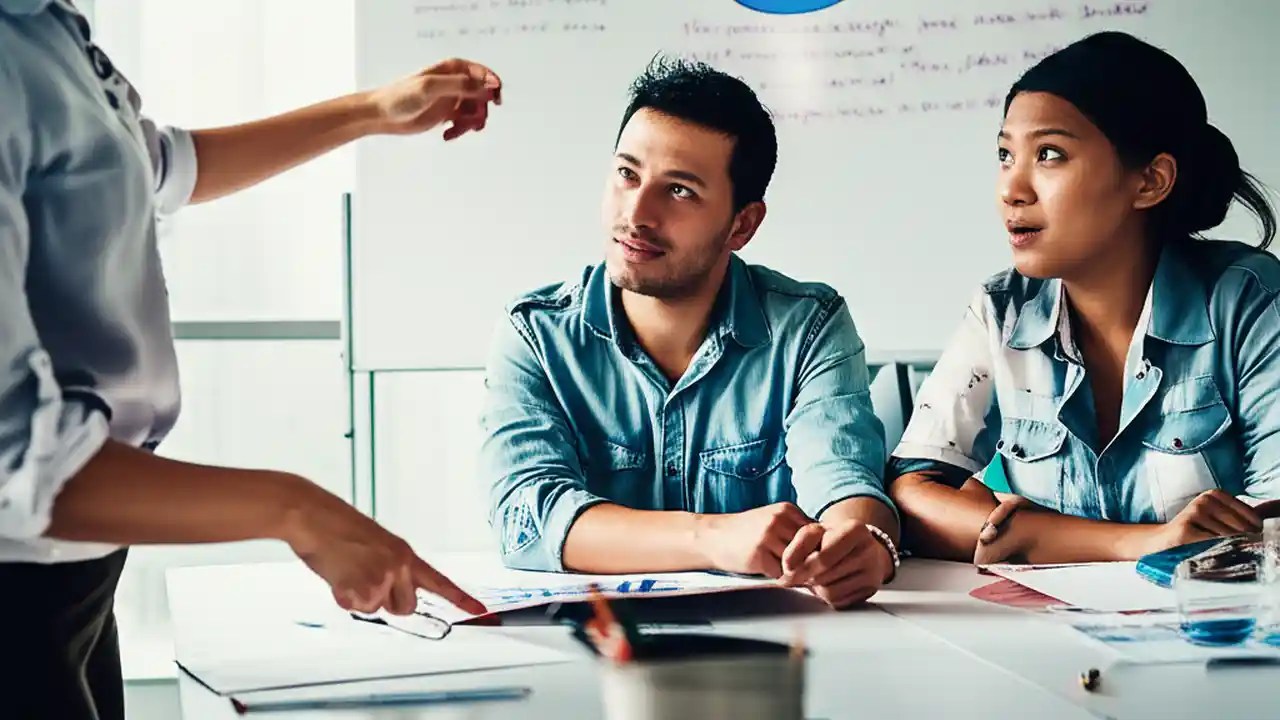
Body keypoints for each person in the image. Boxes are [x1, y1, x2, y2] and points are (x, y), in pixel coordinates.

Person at [0, 2, 500, 717]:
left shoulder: (43, 21)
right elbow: (18, 464)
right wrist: (299, 512)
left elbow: (153, 163)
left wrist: (373, 111)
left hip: (81, 573)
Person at [478, 57, 899, 609]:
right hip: (590, 650)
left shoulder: (808, 325)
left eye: (678, 191)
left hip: (768, 656)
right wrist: (713, 537)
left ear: (742, 224)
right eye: (627, 175)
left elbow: (843, 479)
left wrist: (861, 543)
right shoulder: (537, 333)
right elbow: (526, 518)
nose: (636, 214)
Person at [887, 31, 1280, 567]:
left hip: (1211, 632)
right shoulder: (1003, 310)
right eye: (1005, 155)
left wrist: (1020, 535)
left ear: (1150, 181)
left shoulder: (1249, 300)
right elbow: (909, 496)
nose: (1012, 189)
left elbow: (1271, 528)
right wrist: (1143, 544)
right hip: (1050, 633)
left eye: (1049, 155)